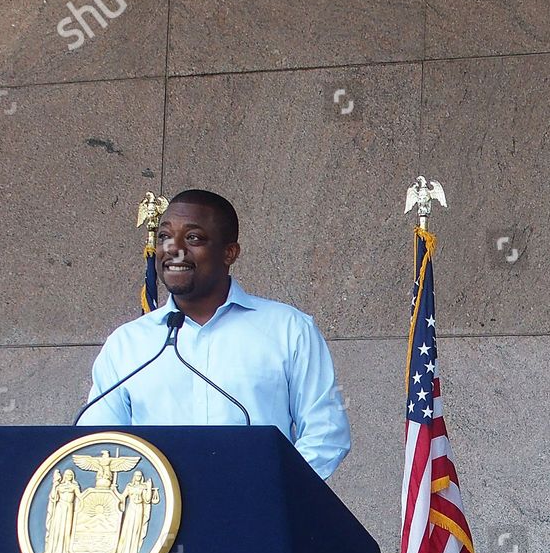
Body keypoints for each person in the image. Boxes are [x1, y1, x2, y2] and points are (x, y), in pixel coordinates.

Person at [80, 189, 351, 479]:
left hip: (256, 513)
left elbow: (326, 433)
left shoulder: (289, 330)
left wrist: (274, 494)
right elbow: (98, 445)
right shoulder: (128, 344)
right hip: (157, 516)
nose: (173, 248)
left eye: (193, 238)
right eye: (164, 236)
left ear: (229, 253)